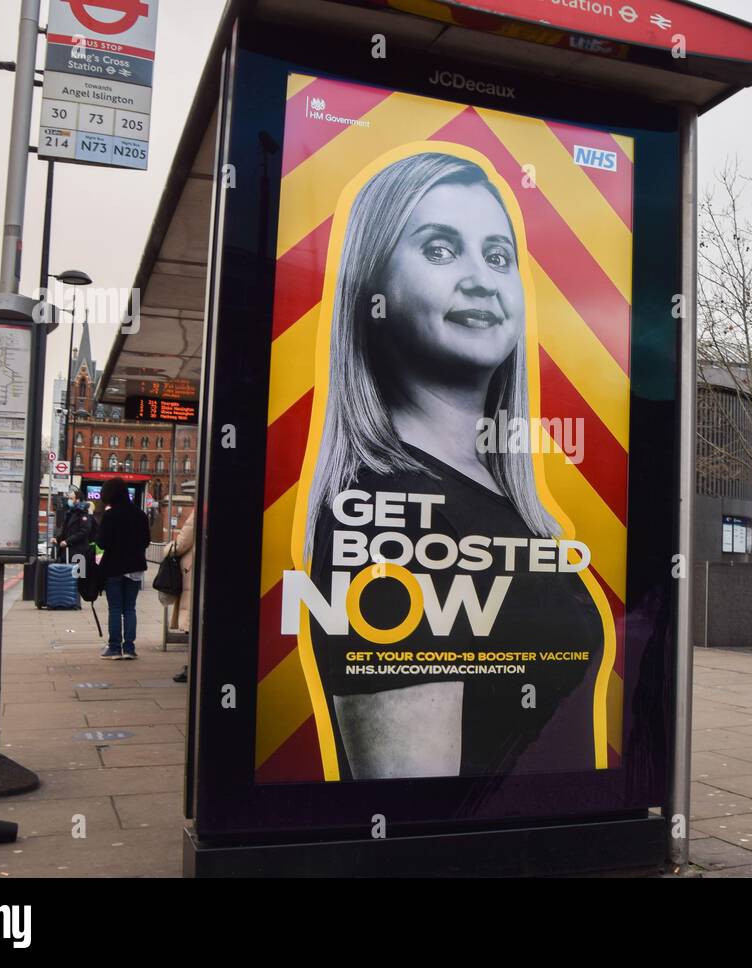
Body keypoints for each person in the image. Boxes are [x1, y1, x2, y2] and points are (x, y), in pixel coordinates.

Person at [296, 151, 605, 780]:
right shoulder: (389, 507)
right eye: (440, 250)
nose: (481, 280)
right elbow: (413, 814)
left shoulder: (489, 485)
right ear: (372, 289)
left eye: (498, 256)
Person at [96, 478, 150, 660]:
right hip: (134, 568)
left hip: (114, 568)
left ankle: (114, 648)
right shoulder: (140, 515)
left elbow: (102, 543)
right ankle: (129, 648)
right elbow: (146, 542)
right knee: (130, 608)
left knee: (115, 608)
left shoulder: (110, 516)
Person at [170, 508, 196, 683]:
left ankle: (193, 666)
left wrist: (168, 550)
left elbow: (181, 544)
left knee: (193, 623)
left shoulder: (198, 512)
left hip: (192, 572)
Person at [55, 489, 94, 562]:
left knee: (76, 572)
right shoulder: (70, 512)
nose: (69, 501)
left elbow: (84, 531)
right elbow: (66, 531)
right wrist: (57, 539)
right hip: (68, 551)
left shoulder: (83, 513)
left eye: (71, 499)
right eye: (68, 498)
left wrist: (67, 541)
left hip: (77, 552)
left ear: (78, 500)